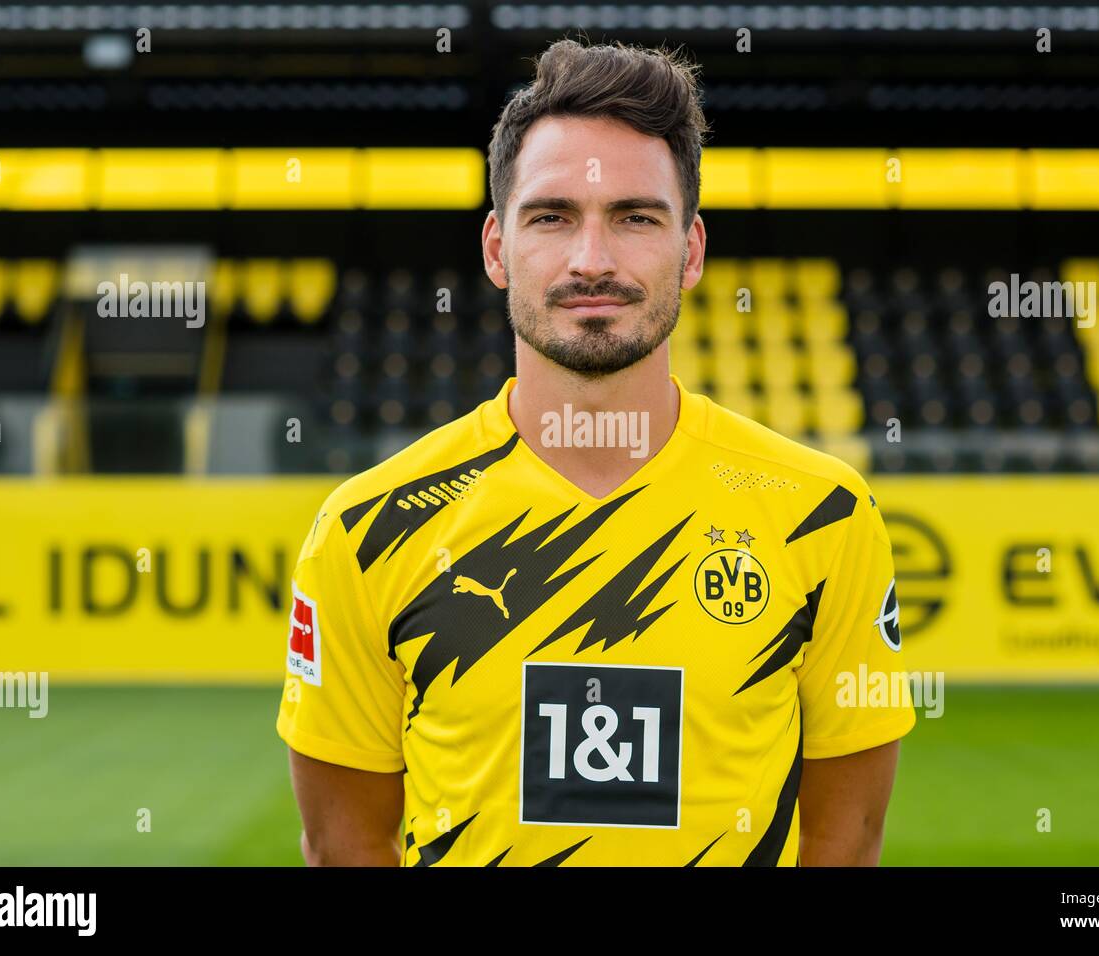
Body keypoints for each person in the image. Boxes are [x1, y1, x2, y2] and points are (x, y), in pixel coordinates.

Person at [277, 38, 915, 867]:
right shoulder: (367, 530)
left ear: (690, 251)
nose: (592, 260)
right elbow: (344, 846)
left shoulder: (822, 515)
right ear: (496, 249)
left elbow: (847, 841)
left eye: (635, 217)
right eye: (551, 217)